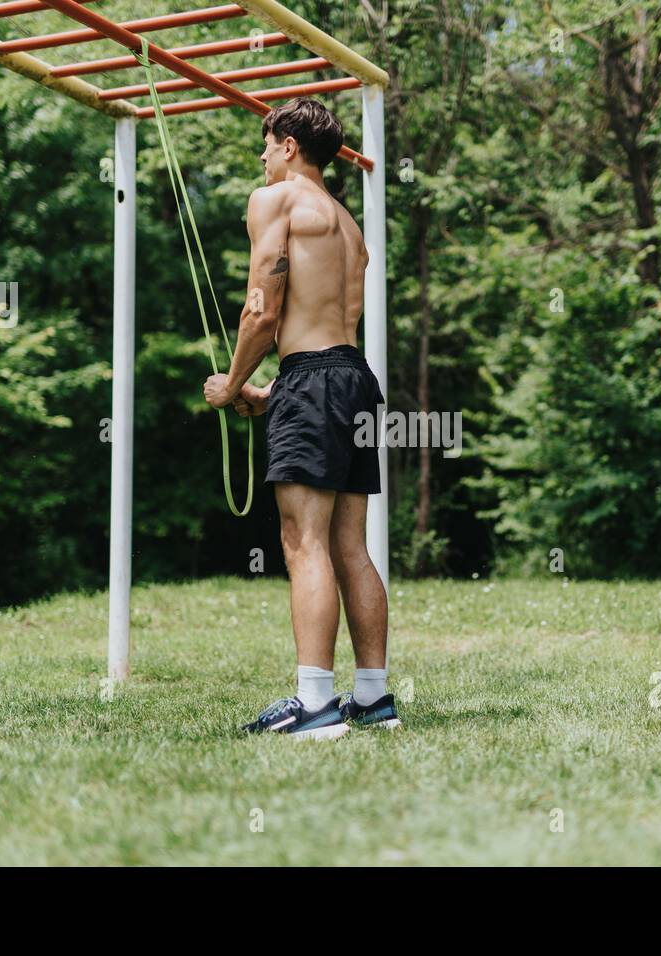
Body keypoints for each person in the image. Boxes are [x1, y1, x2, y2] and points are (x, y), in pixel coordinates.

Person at [202, 98, 398, 739]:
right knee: (350, 546)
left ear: (289, 145)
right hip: (353, 380)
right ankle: (372, 699)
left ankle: (314, 706)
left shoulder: (277, 201)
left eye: (264, 145)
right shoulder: (347, 224)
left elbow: (263, 307)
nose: (261, 158)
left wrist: (232, 382)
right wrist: (271, 392)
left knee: (302, 542)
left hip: (313, 381)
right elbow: (323, 335)